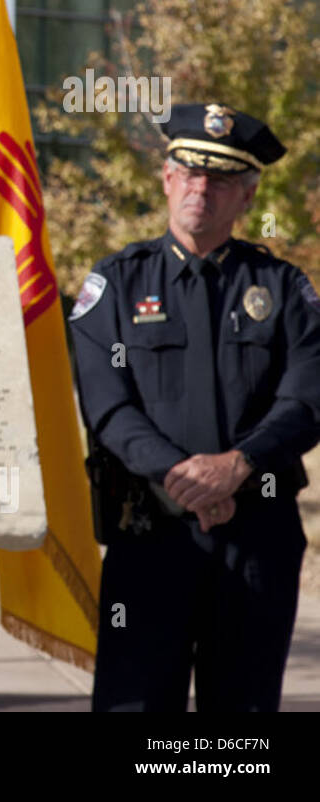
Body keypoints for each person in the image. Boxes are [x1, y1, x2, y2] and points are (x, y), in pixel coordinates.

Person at [69, 102, 320, 712]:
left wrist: (237, 466)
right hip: (149, 537)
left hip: (256, 538)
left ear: (247, 195)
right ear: (166, 178)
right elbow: (108, 408)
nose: (202, 188)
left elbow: (308, 398)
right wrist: (185, 480)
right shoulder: (115, 285)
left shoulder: (285, 289)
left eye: (223, 178)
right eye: (190, 172)